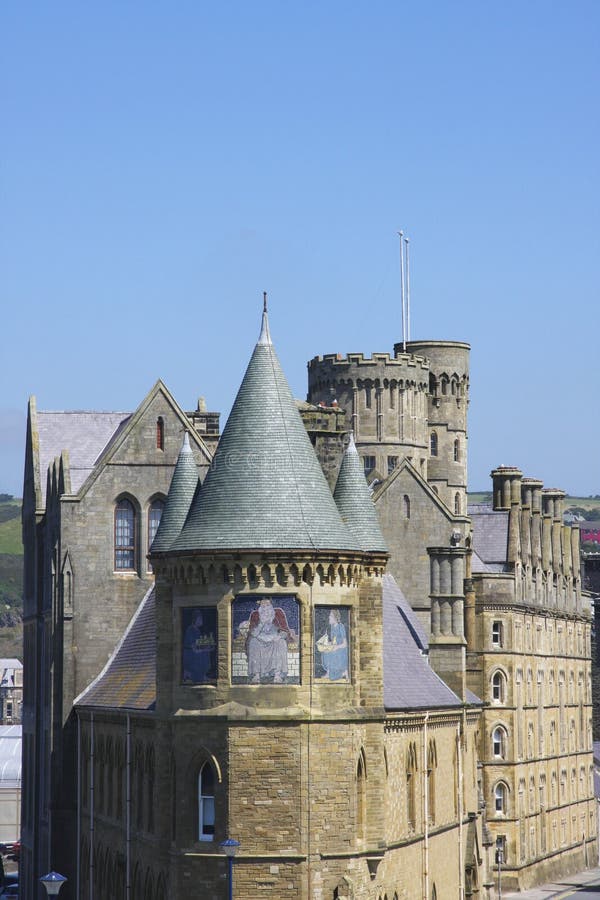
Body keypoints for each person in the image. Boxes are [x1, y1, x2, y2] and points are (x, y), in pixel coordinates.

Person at [246, 598, 295, 683]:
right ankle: (256, 675)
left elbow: (285, 631)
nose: (265, 608)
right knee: (253, 642)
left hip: (274, 640)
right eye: (263, 605)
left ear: (271, 605)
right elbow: (252, 633)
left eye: (267, 605)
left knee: (281, 642)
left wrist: (278, 637)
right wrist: (261, 623)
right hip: (260, 639)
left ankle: (277, 675)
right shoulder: (255, 614)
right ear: (260, 606)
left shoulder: (278, 612)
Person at [183, 610, 215, 683]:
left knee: (207, 652)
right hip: (190, 654)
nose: (201, 621)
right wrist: (205, 650)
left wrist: (207, 647)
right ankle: (194, 675)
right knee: (204, 654)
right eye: (200, 619)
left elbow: (199, 644)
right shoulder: (190, 630)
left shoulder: (197, 630)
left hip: (194, 652)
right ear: (195, 619)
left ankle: (202, 674)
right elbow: (194, 649)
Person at [319, 609, 348, 681]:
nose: (329, 617)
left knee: (332, 678)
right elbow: (333, 641)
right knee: (325, 650)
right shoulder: (332, 627)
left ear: (335, 617)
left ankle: (343, 673)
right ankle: (328, 672)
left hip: (341, 650)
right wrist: (327, 644)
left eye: (330, 616)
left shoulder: (341, 627)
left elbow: (345, 644)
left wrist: (336, 647)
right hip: (335, 647)